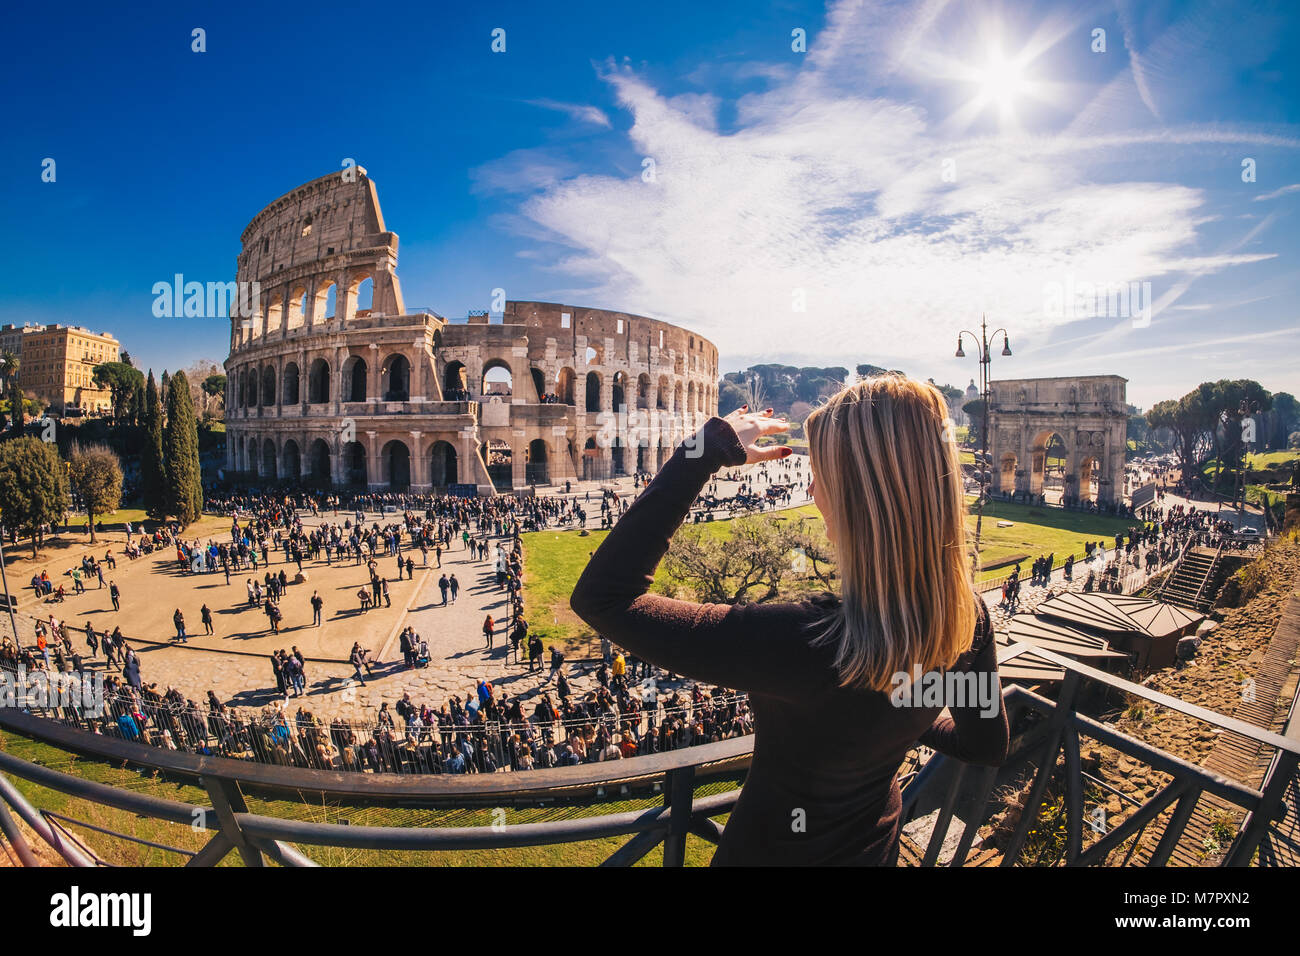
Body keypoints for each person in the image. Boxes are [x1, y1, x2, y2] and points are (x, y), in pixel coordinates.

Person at [569, 383, 1008, 866]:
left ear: (859, 497)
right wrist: (901, 710)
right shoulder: (967, 619)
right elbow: (983, 744)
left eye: (821, 476)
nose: (812, 489)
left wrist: (704, 451)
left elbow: (604, 597)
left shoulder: (804, 640)